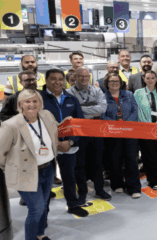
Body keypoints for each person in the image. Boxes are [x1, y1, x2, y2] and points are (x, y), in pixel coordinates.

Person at [0, 89, 59, 240]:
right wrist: (12, 168)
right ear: (20, 104)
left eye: (35, 101)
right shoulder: (12, 125)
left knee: (45, 206)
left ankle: (40, 234)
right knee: (36, 209)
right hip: (26, 172)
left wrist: (67, 122)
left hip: (48, 168)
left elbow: (55, 130)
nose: (32, 105)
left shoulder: (46, 116)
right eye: (27, 102)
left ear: (40, 103)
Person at [39, 69, 89, 217]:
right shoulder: (39, 99)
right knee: (46, 180)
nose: (57, 82)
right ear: (46, 80)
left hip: (68, 147)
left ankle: (72, 205)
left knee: (69, 177)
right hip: (46, 148)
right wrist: (55, 143)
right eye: (53, 79)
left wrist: (71, 142)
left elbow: (79, 123)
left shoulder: (71, 99)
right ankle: (43, 212)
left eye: (60, 79)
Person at [67, 67, 110, 201]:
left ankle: (99, 189)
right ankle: (82, 192)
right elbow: (71, 111)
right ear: (76, 77)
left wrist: (80, 109)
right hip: (78, 131)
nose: (83, 79)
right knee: (80, 163)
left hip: (95, 130)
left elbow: (102, 108)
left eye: (86, 77)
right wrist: (90, 109)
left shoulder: (97, 90)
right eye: (81, 76)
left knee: (97, 162)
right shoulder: (69, 93)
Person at [101, 73, 142, 199]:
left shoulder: (129, 95)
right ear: (107, 83)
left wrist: (126, 123)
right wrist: (115, 125)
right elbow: (102, 114)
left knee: (131, 159)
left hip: (129, 131)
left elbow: (136, 110)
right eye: (111, 81)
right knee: (115, 159)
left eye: (117, 81)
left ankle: (133, 187)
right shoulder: (103, 97)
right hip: (113, 133)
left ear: (121, 83)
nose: (114, 83)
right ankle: (116, 184)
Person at [134, 70, 157, 190]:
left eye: (152, 78)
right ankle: (153, 180)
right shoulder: (138, 93)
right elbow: (137, 111)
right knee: (149, 155)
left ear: (156, 79)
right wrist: (146, 125)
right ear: (144, 79)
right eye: (148, 78)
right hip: (144, 129)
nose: (150, 80)